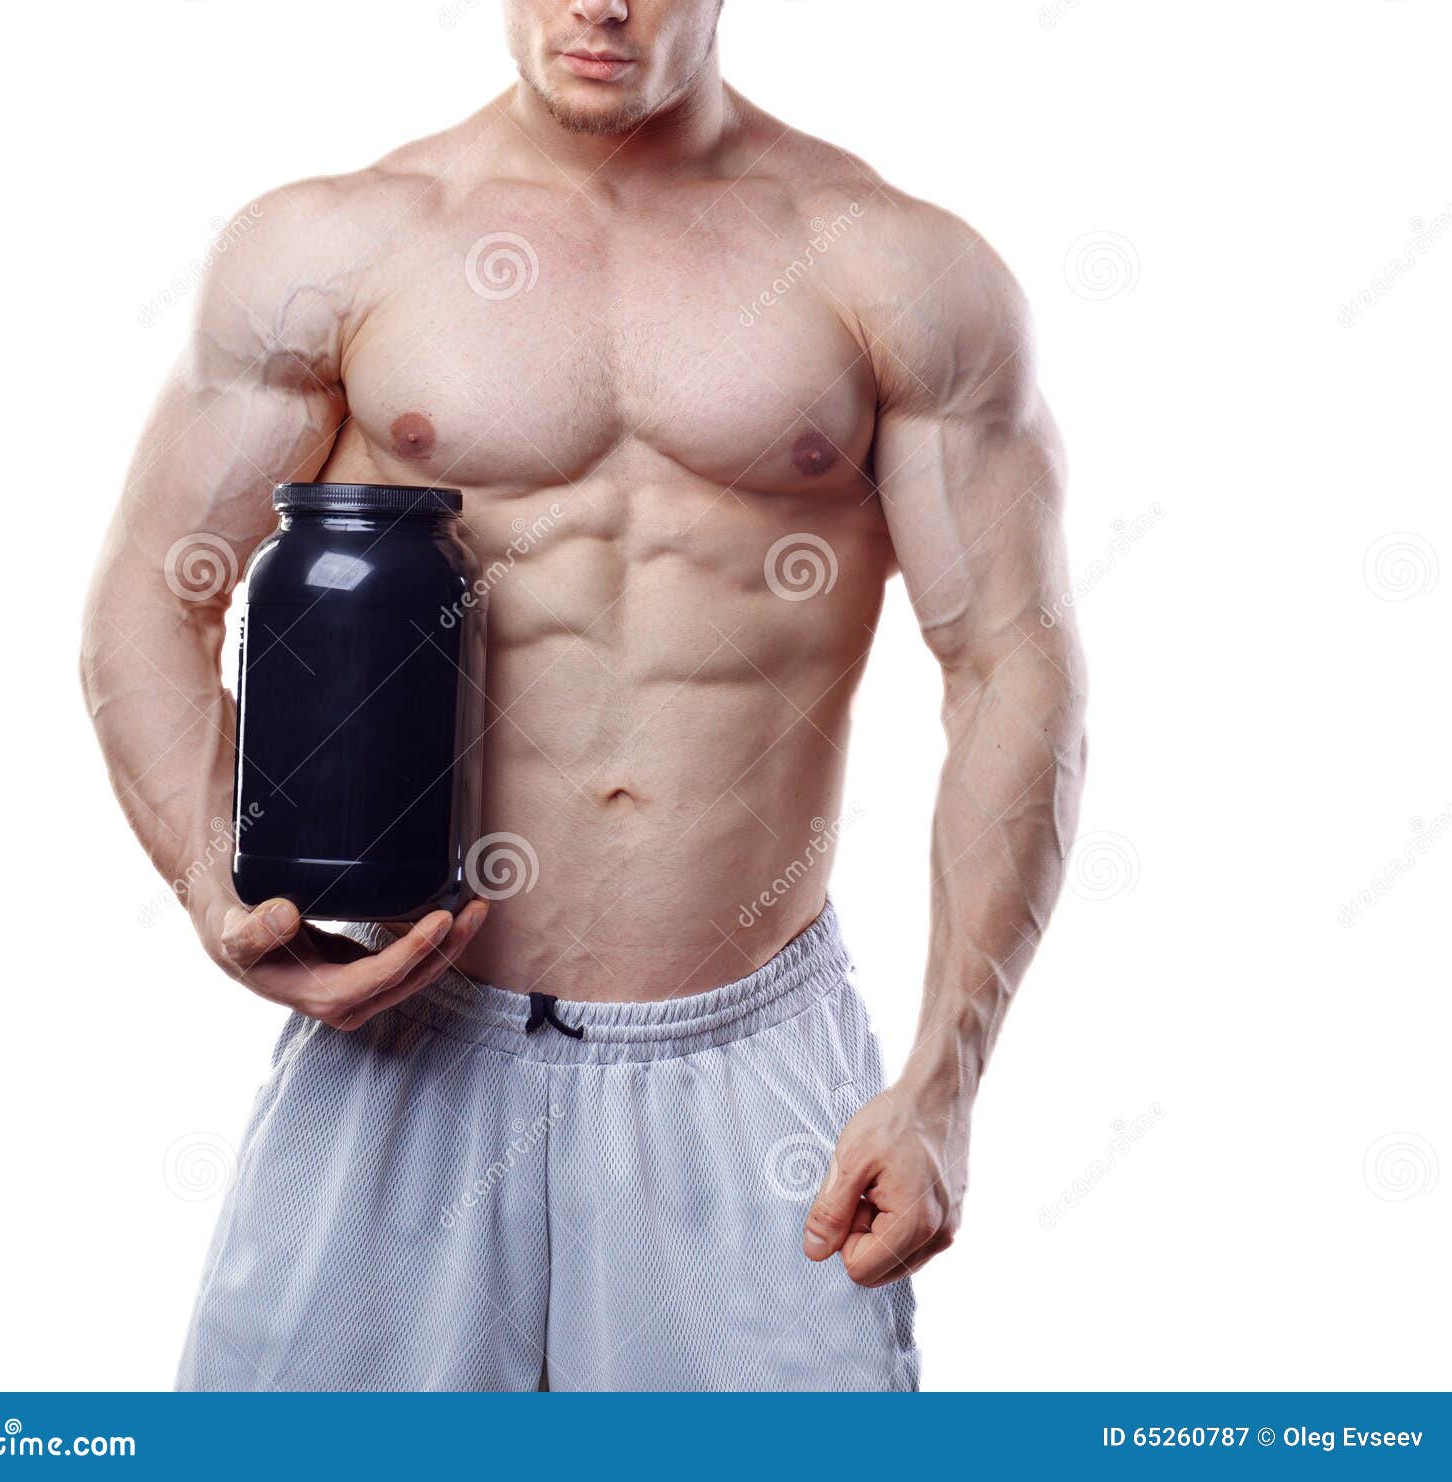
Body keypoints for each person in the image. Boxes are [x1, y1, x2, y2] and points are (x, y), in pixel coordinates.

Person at [80, 0, 1087, 1391]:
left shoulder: (895, 269)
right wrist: (213, 882)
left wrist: (944, 1078)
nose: (598, 3)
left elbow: (1009, 666)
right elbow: (154, 591)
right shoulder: (337, 247)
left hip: (750, 1059)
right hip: (406, 1036)